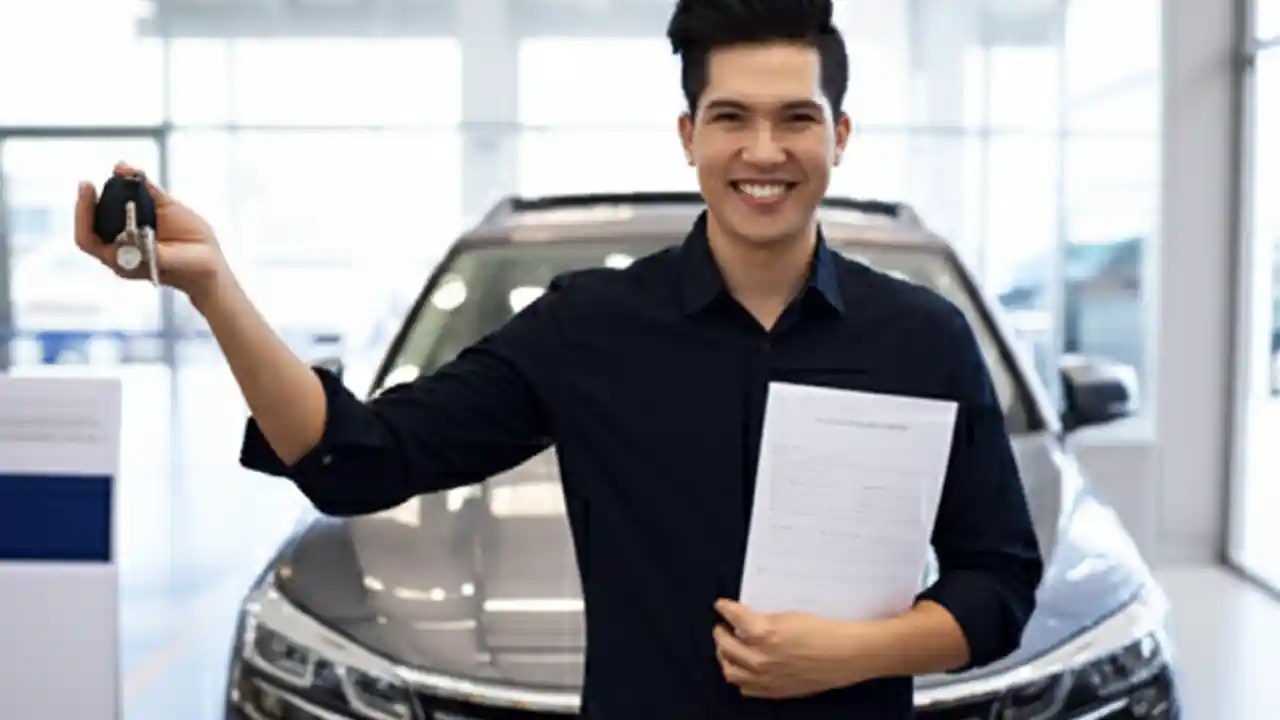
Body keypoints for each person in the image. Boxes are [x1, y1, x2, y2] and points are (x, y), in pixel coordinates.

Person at [74, 0, 1043, 716]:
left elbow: (994, 587)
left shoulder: (923, 341)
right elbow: (357, 458)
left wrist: (852, 654)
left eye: (794, 118)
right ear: (687, 136)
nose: (764, 149)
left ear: (837, 135)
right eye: (730, 117)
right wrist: (213, 287)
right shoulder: (588, 329)